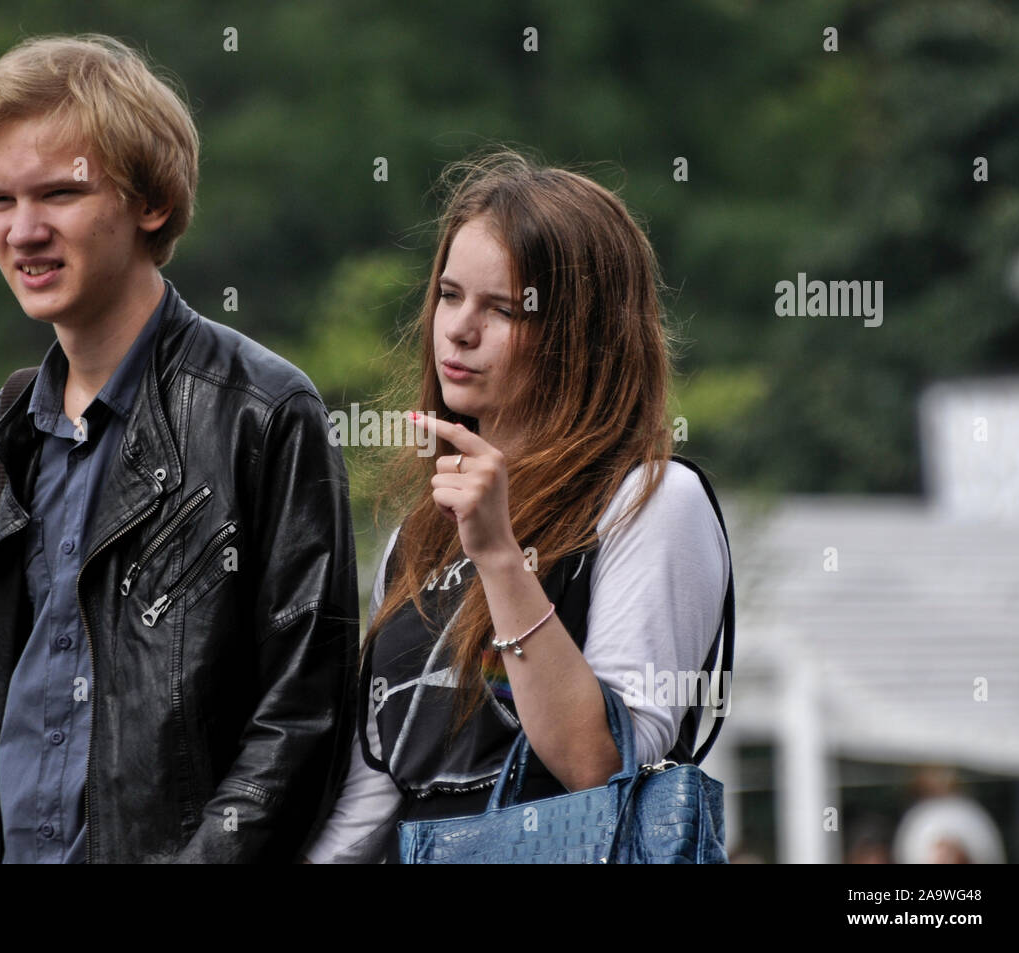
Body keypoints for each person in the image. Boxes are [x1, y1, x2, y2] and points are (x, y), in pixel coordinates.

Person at [0, 34, 358, 863]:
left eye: (59, 192)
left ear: (150, 202)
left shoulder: (265, 412)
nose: (23, 231)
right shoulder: (12, 423)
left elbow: (303, 718)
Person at [303, 150, 731, 863]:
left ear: (582, 336)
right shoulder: (417, 536)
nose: (459, 329)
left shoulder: (652, 501)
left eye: (501, 308)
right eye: (448, 294)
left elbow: (600, 766)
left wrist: (500, 555)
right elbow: (374, 798)